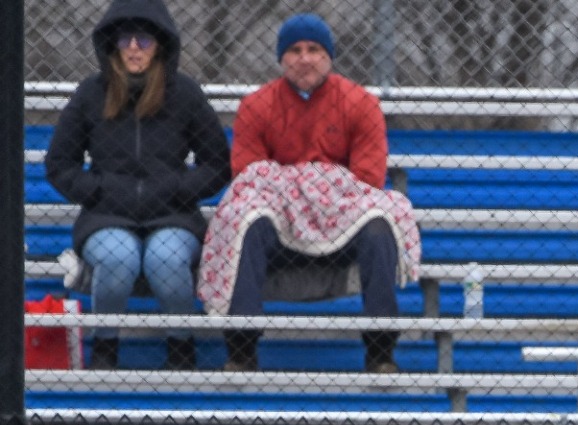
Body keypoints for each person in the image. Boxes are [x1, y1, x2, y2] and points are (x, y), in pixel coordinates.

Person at [198, 13, 419, 373]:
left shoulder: (360, 103)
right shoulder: (257, 106)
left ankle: (381, 352)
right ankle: (241, 349)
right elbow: (247, 175)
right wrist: (315, 182)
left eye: (314, 49)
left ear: (328, 56)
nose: (304, 58)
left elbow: (368, 176)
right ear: (282, 58)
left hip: (343, 219)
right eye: (295, 50)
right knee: (244, 219)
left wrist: (298, 183)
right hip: (279, 222)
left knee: (380, 225)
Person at [44, 0, 231, 371]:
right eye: (126, 39)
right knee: (118, 258)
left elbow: (217, 163)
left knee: (166, 260)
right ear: (113, 43)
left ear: (159, 44)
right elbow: (59, 164)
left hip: (173, 214)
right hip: (106, 215)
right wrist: (97, 190)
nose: (133, 48)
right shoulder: (90, 93)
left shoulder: (185, 94)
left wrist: (179, 188)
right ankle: (105, 347)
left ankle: (181, 348)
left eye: (143, 40)